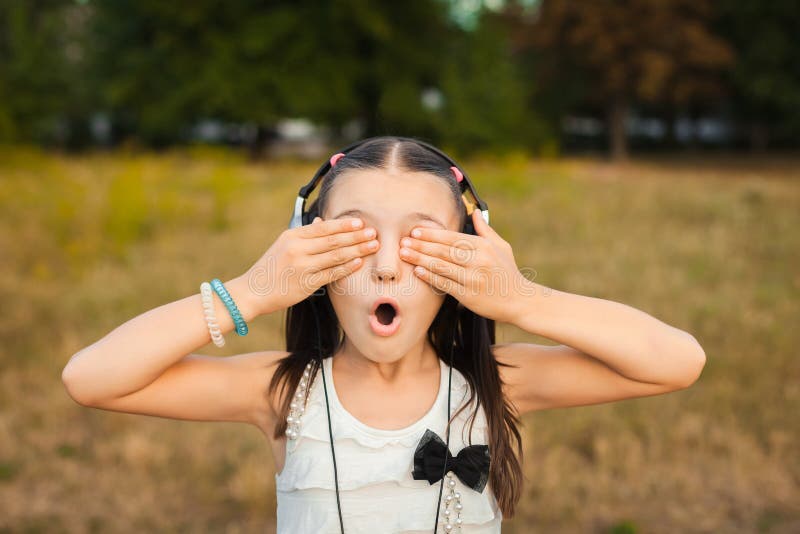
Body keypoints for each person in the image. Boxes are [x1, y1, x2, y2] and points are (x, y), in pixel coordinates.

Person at [61, 136, 706, 533]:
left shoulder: (491, 384)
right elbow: (90, 378)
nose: (388, 264)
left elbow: (677, 362)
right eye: (356, 236)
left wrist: (522, 298)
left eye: (421, 240)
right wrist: (252, 291)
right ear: (310, 253)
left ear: (465, 259)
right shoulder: (287, 392)